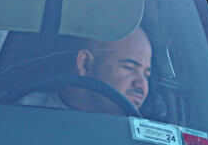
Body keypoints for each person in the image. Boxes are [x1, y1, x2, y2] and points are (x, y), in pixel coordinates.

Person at [17, 26, 151, 113]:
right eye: (129, 68)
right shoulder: (21, 110)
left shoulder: (142, 141)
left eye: (146, 74)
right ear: (85, 63)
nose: (141, 85)